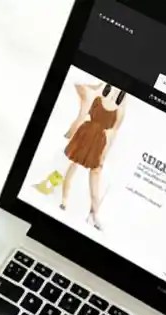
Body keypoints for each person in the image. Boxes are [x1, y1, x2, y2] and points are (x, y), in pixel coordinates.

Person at [61, 81, 127, 229]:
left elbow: (113, 134)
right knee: (73, 165)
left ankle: (92, 213)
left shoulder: (119, 110)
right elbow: (81, 88)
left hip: (97, 141)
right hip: (87, 135)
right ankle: (64, 201)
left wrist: (104, 155)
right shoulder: (98, 99)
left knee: (89, 173)